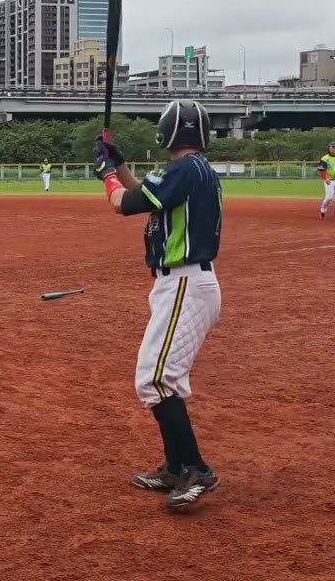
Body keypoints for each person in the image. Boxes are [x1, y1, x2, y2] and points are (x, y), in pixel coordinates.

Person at [94, 99, 224, 512]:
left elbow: (126, 204)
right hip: (182, 283)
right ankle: (174, 467)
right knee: (157, 378)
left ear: (168, 132)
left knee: (158, 379)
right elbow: (145, 194)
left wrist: (106, 175)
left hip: (186, 281)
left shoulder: (184, 169)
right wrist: (120, 164)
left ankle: (195, 470)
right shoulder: (192, 169)